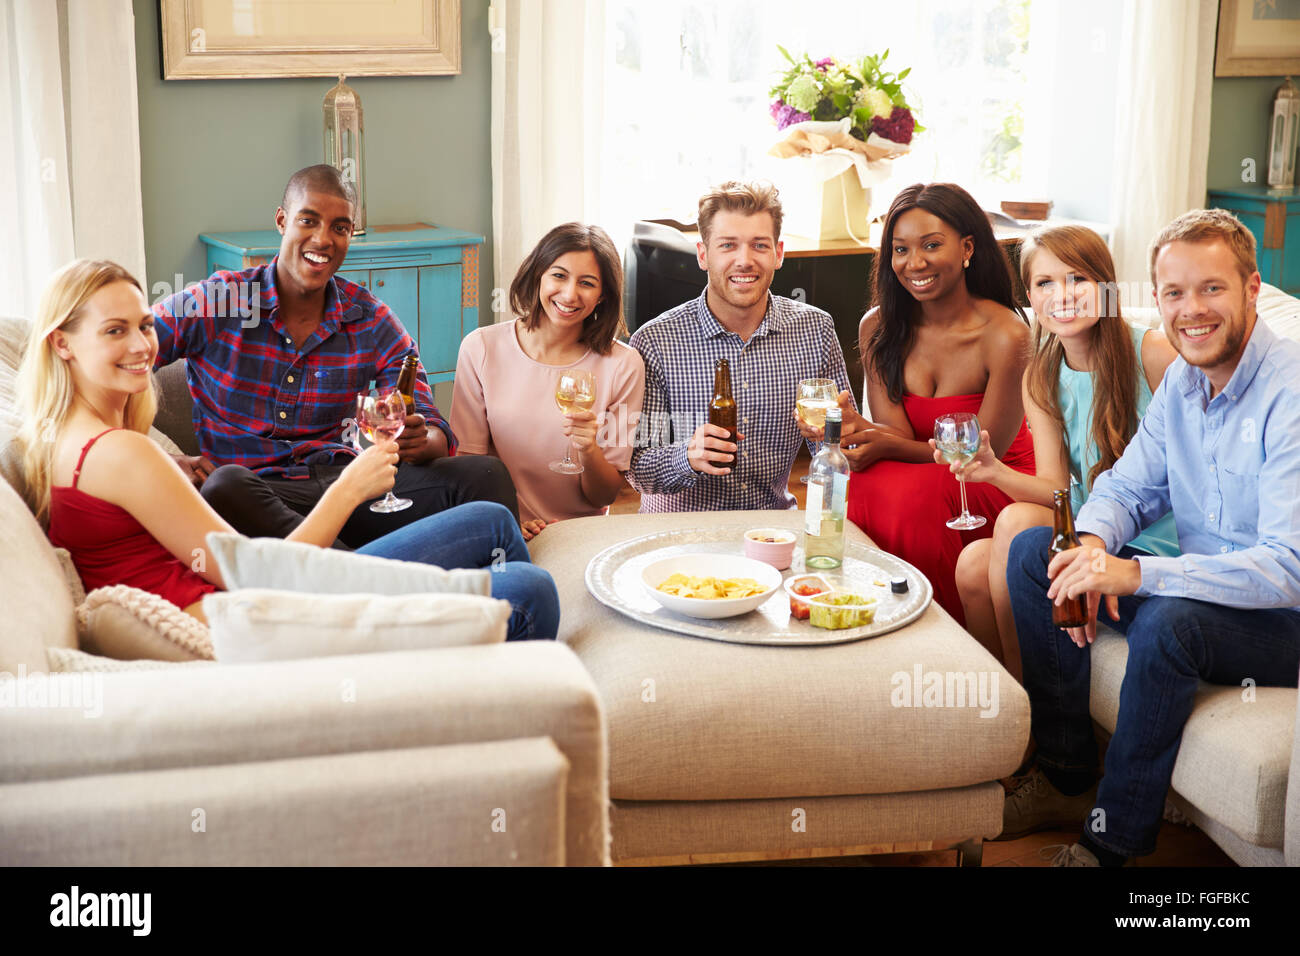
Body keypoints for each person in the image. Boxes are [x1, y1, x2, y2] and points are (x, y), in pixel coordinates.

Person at [15, 259, 558, 642]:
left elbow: (424, 414)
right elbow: (265, 574)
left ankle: (465, 645)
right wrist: (351, 489)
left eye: (144, 326)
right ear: (61, 342)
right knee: (530, 589)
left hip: (257, 594)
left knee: (488, 514)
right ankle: (484, 677)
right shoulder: (121, 454)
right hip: (264, 619)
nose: (140, 345)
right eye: (115, 331)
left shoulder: (68, 439)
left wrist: (422, 440)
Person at [1002, 209, 1300, 866]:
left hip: (1282, 621)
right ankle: (1065, 774)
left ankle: (1107, 846)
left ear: (1252, 289)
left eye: (1211, 288)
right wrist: (1088, 546)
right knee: (1036, 555)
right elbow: (1129, 488)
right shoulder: (1186, 383)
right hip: (1203, 591)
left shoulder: (1291, 393)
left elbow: (1287, 569)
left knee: (1170, 622)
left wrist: (1136, 575)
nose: (1191, 309)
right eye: (1174, 293)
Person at [152, 164, 518, 549]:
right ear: (282, 220)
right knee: (222, 486)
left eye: (340, 228)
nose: (323, 239)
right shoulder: (217, 300)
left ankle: (358, 577)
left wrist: (420, 438)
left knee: (486, 474)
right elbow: (116, 362)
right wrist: (159, 458)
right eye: (308, 221)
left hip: (349, 488)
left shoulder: (371, 319)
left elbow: (431, 426)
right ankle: (368, 578)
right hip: (254, 496)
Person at [938, 225, 1179, 676]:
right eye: (1045, 283)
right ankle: (1006, 692)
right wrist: (991, 471)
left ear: (1106, 286)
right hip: (1091, 521)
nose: (1061, 295)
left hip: (1153, 537)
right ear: (1029, 296)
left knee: (1011, 522)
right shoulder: (1042, 375)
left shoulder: (1154, 354)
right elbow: (1054, 488)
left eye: (1077, 279)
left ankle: (1027, 695)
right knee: (972, 564)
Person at [838, 182, 1034, 625]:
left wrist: (883, 443)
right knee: (863, 480)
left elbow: (984, 454)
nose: (915, 263)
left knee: (914, 495)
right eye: (901, 249)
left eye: (931, 245)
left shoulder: (1007, 335)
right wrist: (856, 428)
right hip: (926, 464)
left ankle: (936, 631)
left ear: (967, 248)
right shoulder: (879, 327)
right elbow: (899, 435)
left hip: (993, 478)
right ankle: (871, 616)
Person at [627, 180, 853, 511]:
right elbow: (635, 469)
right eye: (728, 246)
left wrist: (834, 438)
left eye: (759, 245)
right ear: (703, 255)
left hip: (771, 530)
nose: (744, 260)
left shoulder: (816, 329)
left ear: (778, 254)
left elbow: (840, 451)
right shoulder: (652, 341)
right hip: (680, 537)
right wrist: (686, 457)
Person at [451, 223, 644, 540]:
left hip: (580, 534)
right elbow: (469, 464)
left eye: (587, 283)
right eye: (559, 275)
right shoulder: (481, 347)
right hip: (500, 523)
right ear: (538, 274)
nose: (570, 294)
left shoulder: (624, 365)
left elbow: (604, 496)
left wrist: (588, 448)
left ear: (603, 296)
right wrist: (509, 520)